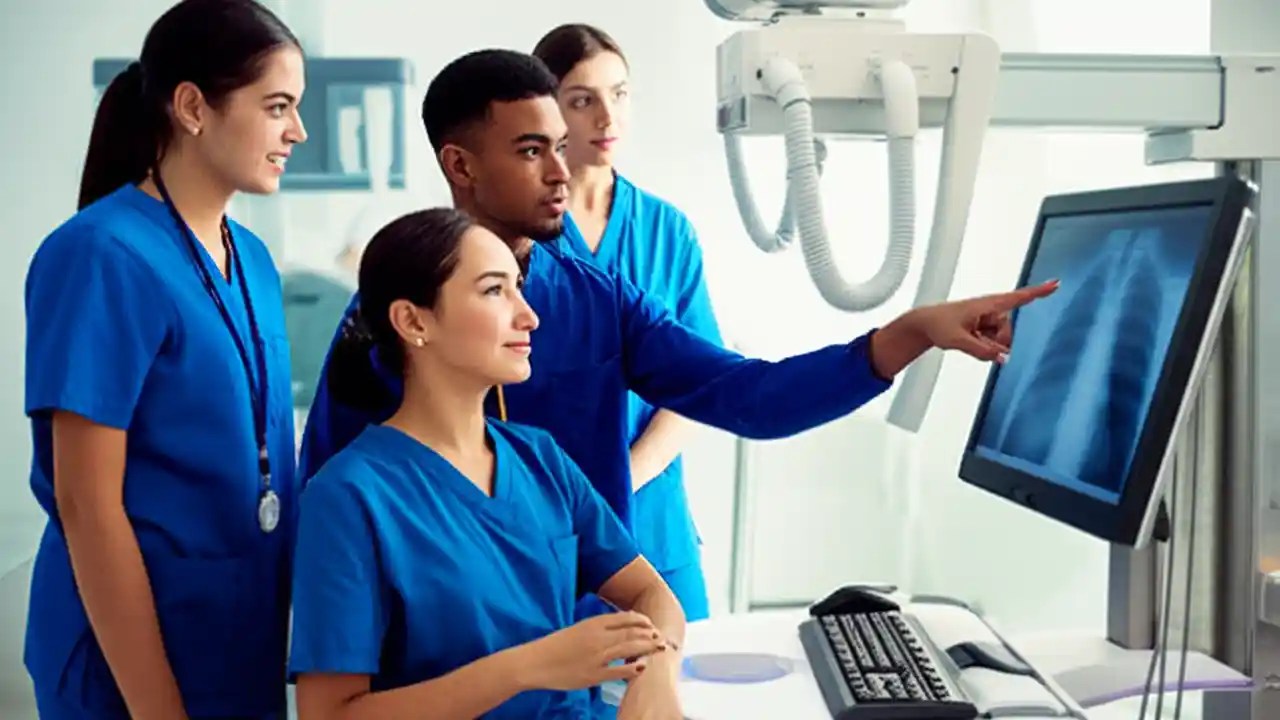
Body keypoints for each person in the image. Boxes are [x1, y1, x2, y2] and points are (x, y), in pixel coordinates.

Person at [297, 48, 1056, 618]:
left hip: (589, 643)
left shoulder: (599, 303)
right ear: (460, 164)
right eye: (532, 150)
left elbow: (749, 397)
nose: (562, 171)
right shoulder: (384, 318)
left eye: (561, 146)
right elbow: (330, 501)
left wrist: (913, 331)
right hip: (438, 660)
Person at [22, 1, 307, 717]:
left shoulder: (257, 263)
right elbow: (87, 505)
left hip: (238, 645)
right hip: (130, 667)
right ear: (192, 107)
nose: (297, 132)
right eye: (277, 106)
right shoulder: (101, 255)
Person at [288, 207, 685, 719]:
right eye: (495, 291)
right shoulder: (349, 498)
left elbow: (651, 594)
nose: (529, 315)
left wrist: (656, 676)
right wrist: (526, 668)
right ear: (413, 321)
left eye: (519, 287)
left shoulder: (540, 459)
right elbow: (330, 714)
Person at [532, 23, 724, 621]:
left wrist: (622, 482)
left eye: (619, 94)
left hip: (653, 525)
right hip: (546, 532)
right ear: (549, 111)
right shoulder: (513, 235)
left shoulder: (668, 231)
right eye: (582, 100)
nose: (605, 116)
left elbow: (701, 387)